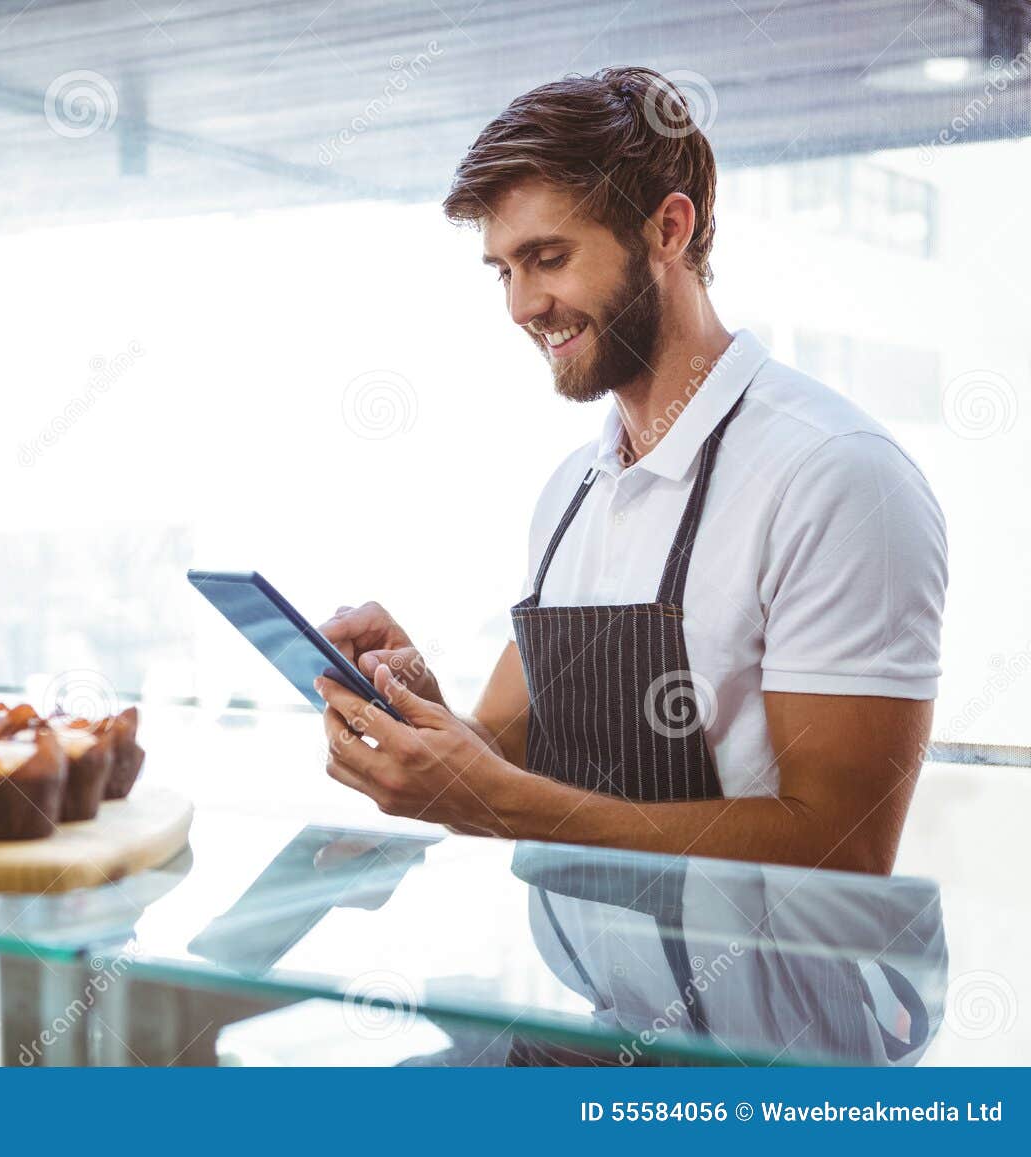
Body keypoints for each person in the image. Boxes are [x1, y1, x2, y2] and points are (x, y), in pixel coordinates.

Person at [314, 67, 947, 875]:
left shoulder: (836, 478)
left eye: (548, 257)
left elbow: (841, 849)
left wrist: (494, 798)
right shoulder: (573, 493)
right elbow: (503, 760)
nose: (520, 307)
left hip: (773, 1003)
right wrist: (417, 711)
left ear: (669, 230)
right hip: (594, 997)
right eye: (504, 270)